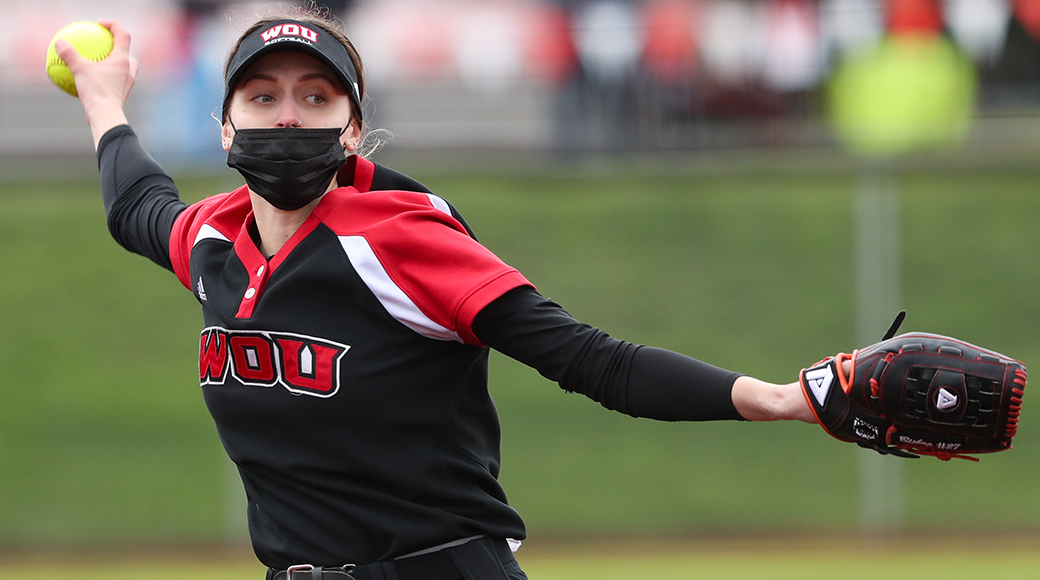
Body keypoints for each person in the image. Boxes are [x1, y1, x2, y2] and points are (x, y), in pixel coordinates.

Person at [56, 7, 815, 580]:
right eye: (261, 96)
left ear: (352, 130)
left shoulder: (397, 238)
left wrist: (782, 399)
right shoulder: (213, 237)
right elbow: (134, 206)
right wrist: (102, 97)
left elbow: (591, 360)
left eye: (316, 98)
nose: (287, 114)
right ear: (225, 128)